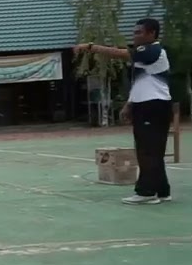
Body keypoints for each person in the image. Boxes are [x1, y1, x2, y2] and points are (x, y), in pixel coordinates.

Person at [73, 18, 173, 204]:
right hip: (147, 104)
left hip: (153, 106)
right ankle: (162, 191)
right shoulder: (145, 57)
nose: (134, 36)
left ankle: (146, 192)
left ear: (151, 34)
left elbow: (120, 54)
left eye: (139, 33)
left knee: (147, 151)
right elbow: (141, 85)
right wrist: (129, 104)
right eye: (134, 32)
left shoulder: (152, 50)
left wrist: (91, 46)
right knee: (152, 150)